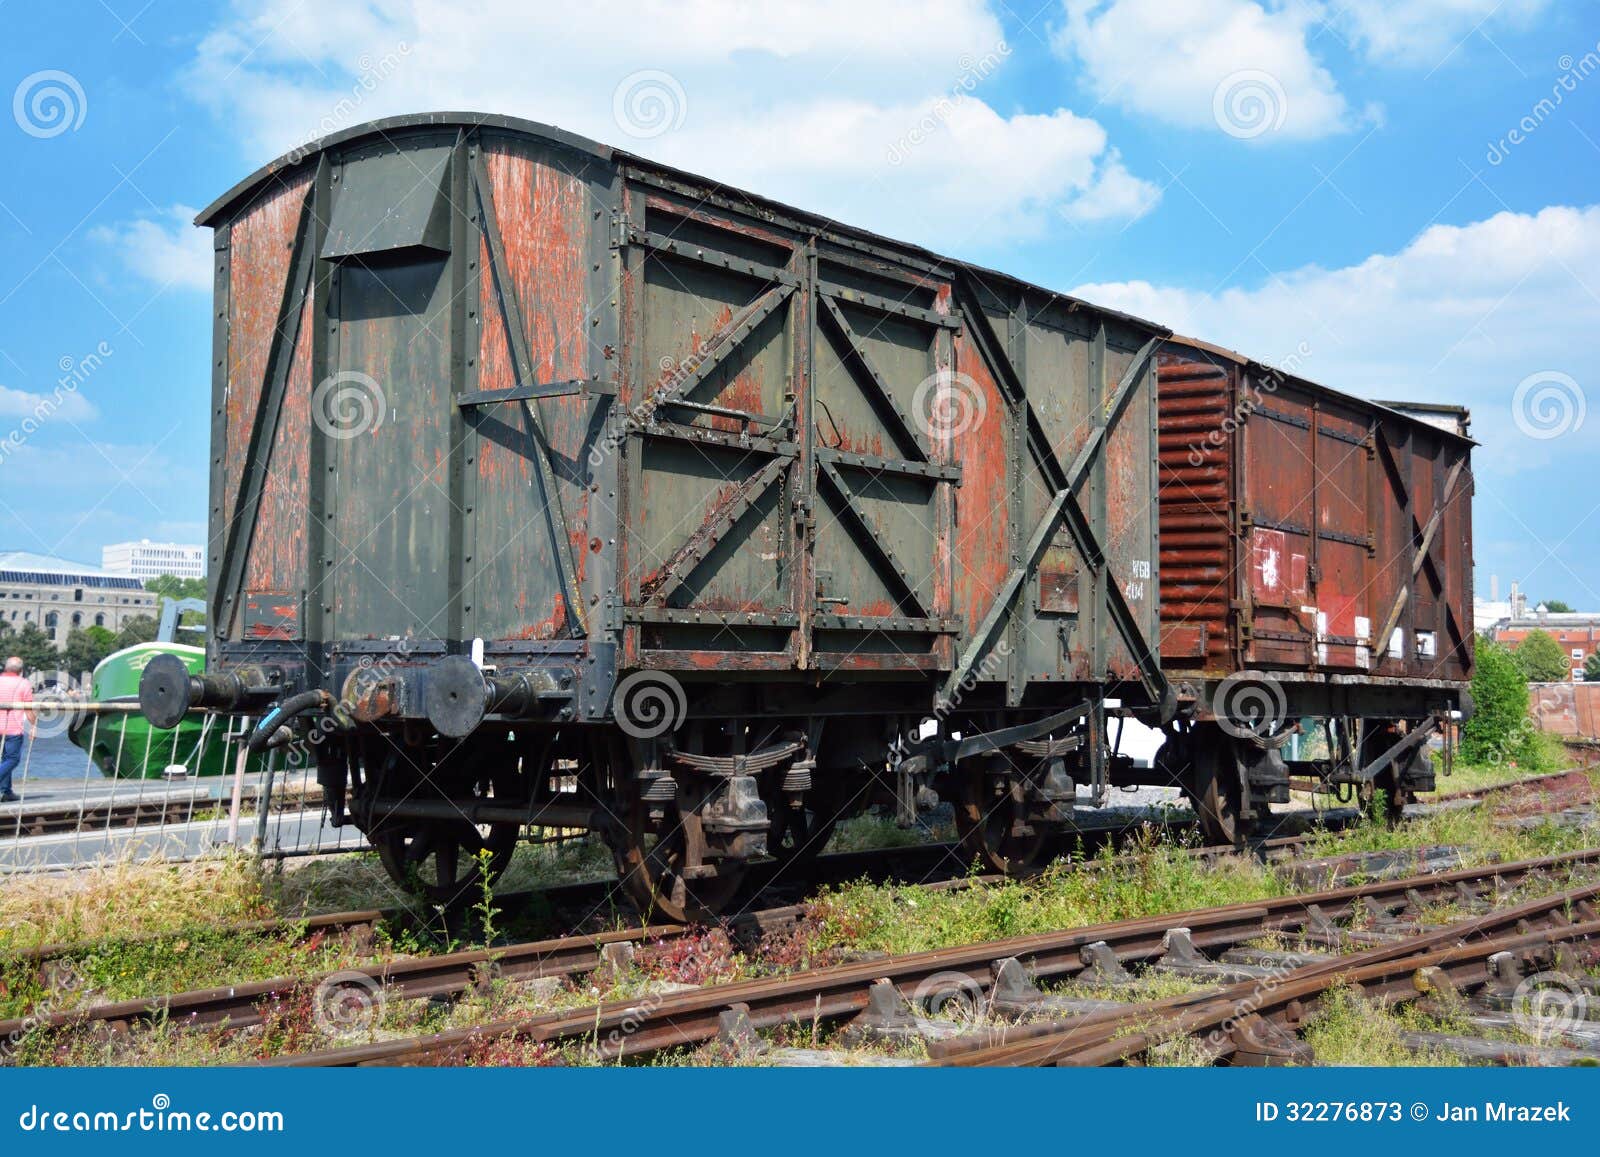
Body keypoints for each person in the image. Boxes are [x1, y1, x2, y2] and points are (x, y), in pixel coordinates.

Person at [0, 655, 32, 802]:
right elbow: (29, 708)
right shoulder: (24, 683)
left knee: (4, 760)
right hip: (13, 729)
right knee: (12, 759)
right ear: (21, 670)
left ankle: (6, 791)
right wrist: (33, 726)